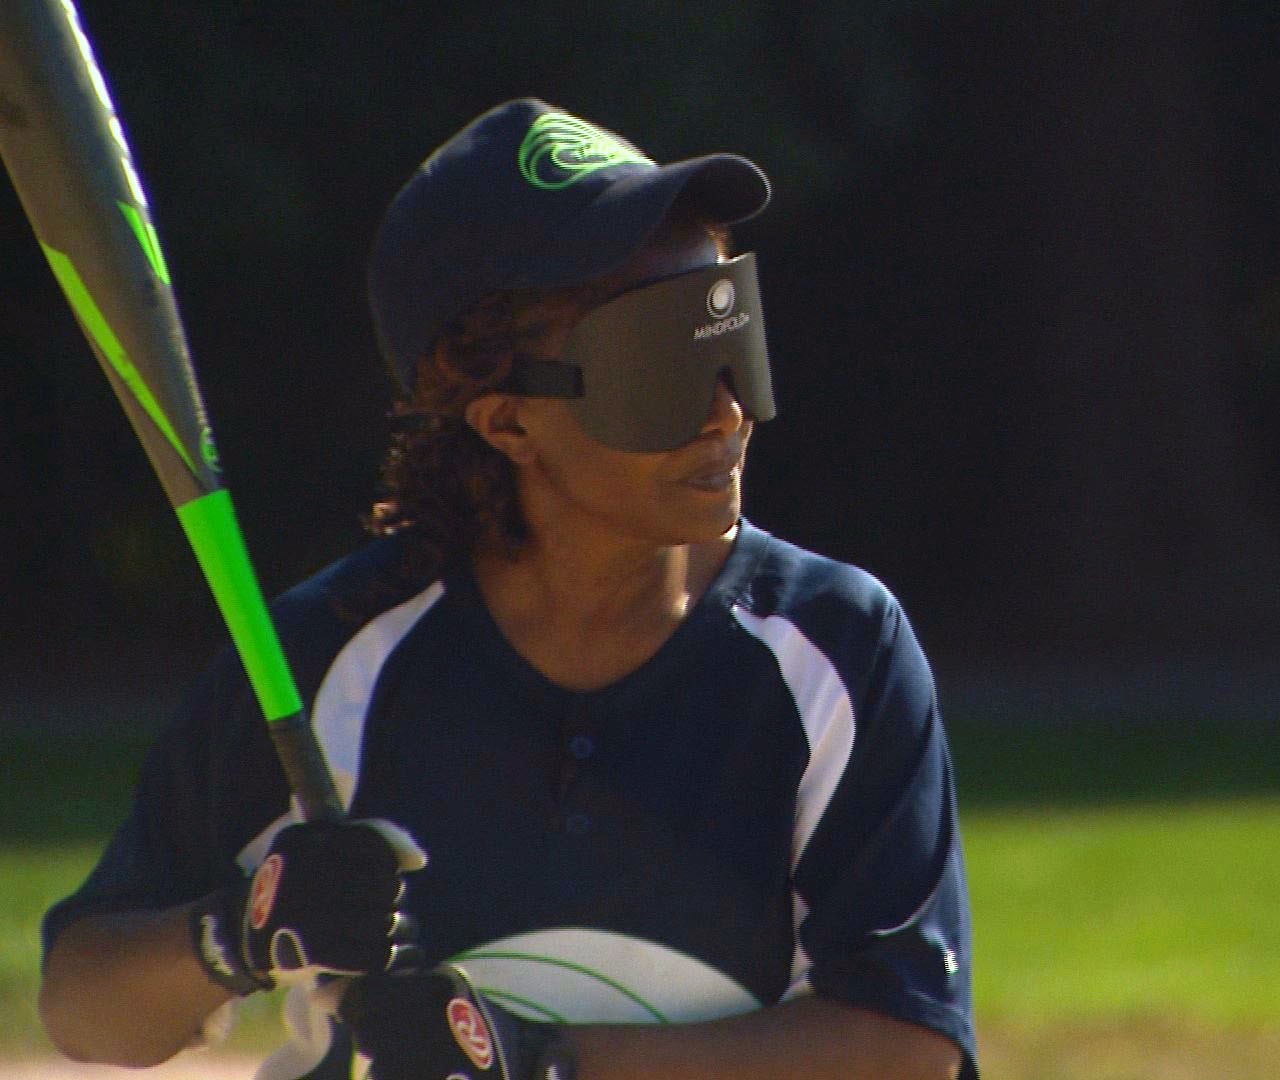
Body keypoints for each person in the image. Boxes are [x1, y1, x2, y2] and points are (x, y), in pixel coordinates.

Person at [38, 97, 977, 1080]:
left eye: (725, 333)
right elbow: (85, 1009)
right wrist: (237, 932)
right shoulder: (334, 656)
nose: (725, 412)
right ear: (506, 422)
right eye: (660, 362)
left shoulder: (833, 645)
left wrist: (541, 1063)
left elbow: (903, 1050)